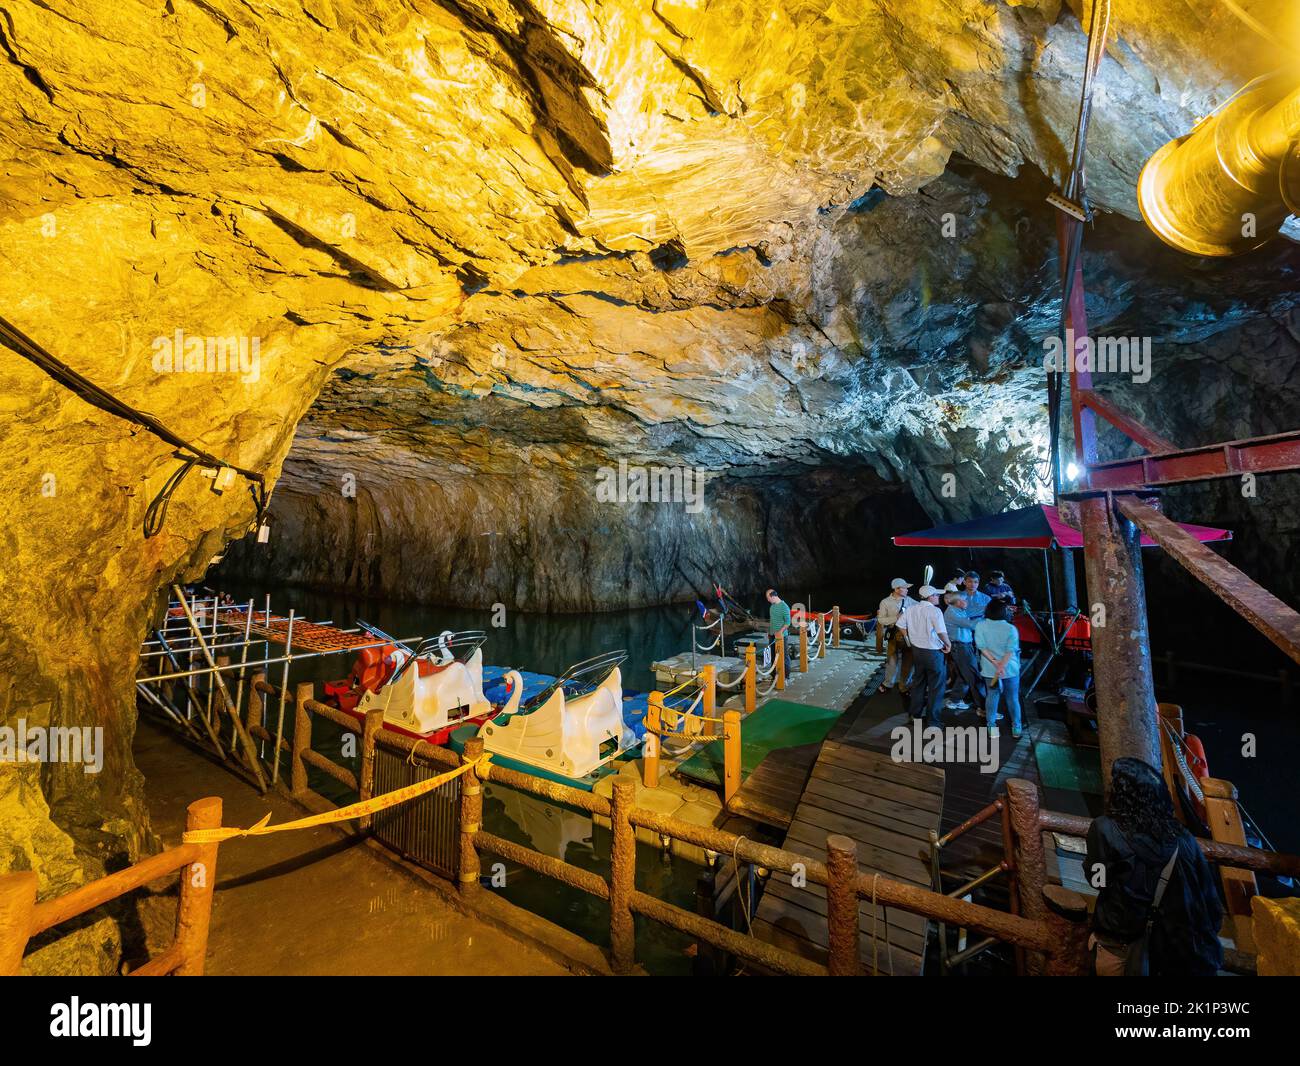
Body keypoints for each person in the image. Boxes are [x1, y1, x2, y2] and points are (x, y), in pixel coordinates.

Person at [1085, 758, 1225, 977]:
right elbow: (1209, 900)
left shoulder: (1104, 829)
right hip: (1171, 950)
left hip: (1120, 942)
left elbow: (1098, 881)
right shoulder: (1183, 838)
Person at [896, 585, 950, 726]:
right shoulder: (935, 611)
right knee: (936, 687)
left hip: (917, 651)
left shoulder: (911, 609)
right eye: (936, 595)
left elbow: (900, 624)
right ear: (930, 597)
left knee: (919, 683)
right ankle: (933, 722)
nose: (938, 597)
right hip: (933, 652)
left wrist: (908, 638)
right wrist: (948, 644)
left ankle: (915, 715)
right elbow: (941, 632)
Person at [975, 598, 1021, 738]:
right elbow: (1011, 650)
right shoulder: (1010, 628)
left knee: (992, 696)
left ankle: (991, 727)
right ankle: (1016, 727)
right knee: (1012, 697)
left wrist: (996, 664)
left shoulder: (980, 625)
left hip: (990, 670)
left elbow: (981, 647)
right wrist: (1002, 665)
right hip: (1010, 669)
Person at [943, 591, 984, 713]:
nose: (967, 603)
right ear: (958, 602)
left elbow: (975, 611)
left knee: (963, 675)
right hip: (960, 647)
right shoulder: (951, 613)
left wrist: (989, 607)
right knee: (974, 676)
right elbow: (970, 624)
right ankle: (983, 707)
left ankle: (954, 700)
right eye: (965, 600)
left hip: (964, 646)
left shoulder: (959, 610)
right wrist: (987, 619)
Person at [876, 578, 915, 693]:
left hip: (908, 634)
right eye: (905, 588)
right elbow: (881, 620)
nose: (907, 590)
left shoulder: (910, 600)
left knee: (909, 660)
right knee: (891, 660)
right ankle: (888, 683)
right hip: (894, 634)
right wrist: (896, 618)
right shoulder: (885, 602)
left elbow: (921, 608)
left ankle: (904, 685)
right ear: (897, 589)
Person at [766, 588, 794, 662]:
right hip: (772, 635)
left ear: (773, 596)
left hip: (781, 636)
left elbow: (788, 622)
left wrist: (780, 632)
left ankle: (786, 673)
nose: (768, 600)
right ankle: (773, 673)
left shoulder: (784, 607)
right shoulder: (771, 607)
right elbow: (772, 621)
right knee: (773, 656)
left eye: (768, 598)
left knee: (784, 656)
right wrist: (769, 632)